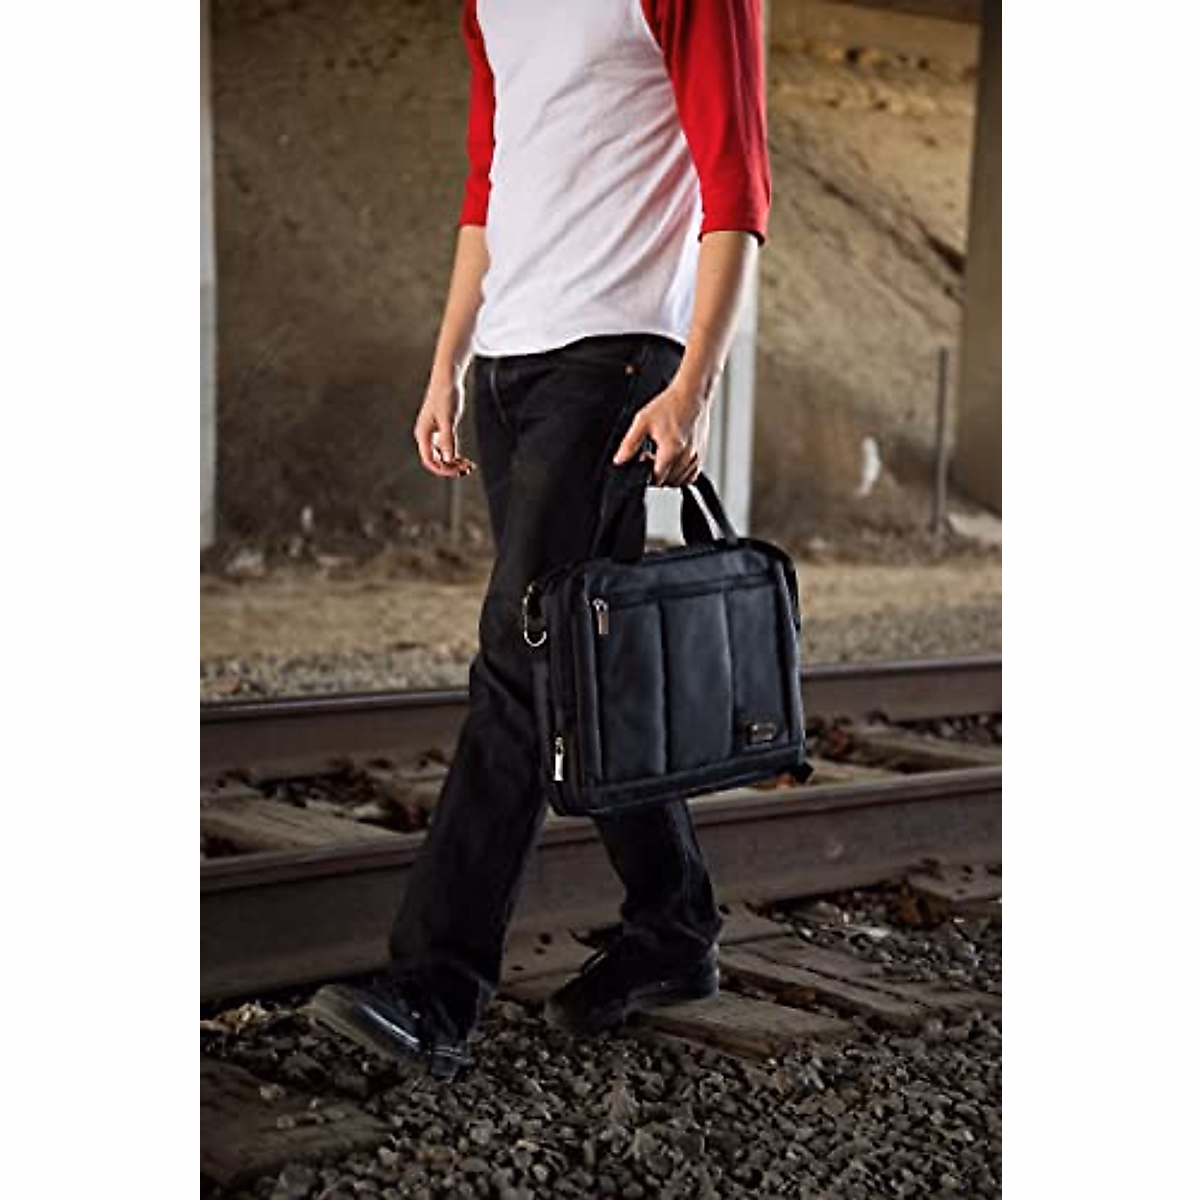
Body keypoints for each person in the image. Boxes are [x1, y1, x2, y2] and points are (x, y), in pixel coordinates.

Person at [310, 0, 771, 1079]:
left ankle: (436, 985)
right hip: (512, 359)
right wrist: (448, 361)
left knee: (518, 657)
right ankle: (673, 925)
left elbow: (737, 183)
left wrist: (694, 384)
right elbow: (490, 182)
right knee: (578, 665)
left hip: (616, 354)